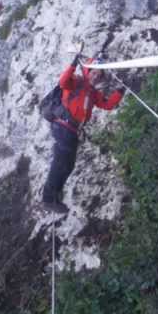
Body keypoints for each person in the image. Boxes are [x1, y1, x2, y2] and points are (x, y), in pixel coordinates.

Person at [41, 55, 125, 214]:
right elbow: (63, 82)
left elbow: (107, 104)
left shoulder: (93, 93)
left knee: (68, 165)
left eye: (99, 75)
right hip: (63, 126)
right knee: (61, 163)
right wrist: (73, 64)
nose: (96, 76)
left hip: (72, 132)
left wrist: (120, 91)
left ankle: (55, 196)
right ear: (88, 71)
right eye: (94, 72)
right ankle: (48, 199)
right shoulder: (77, 81)